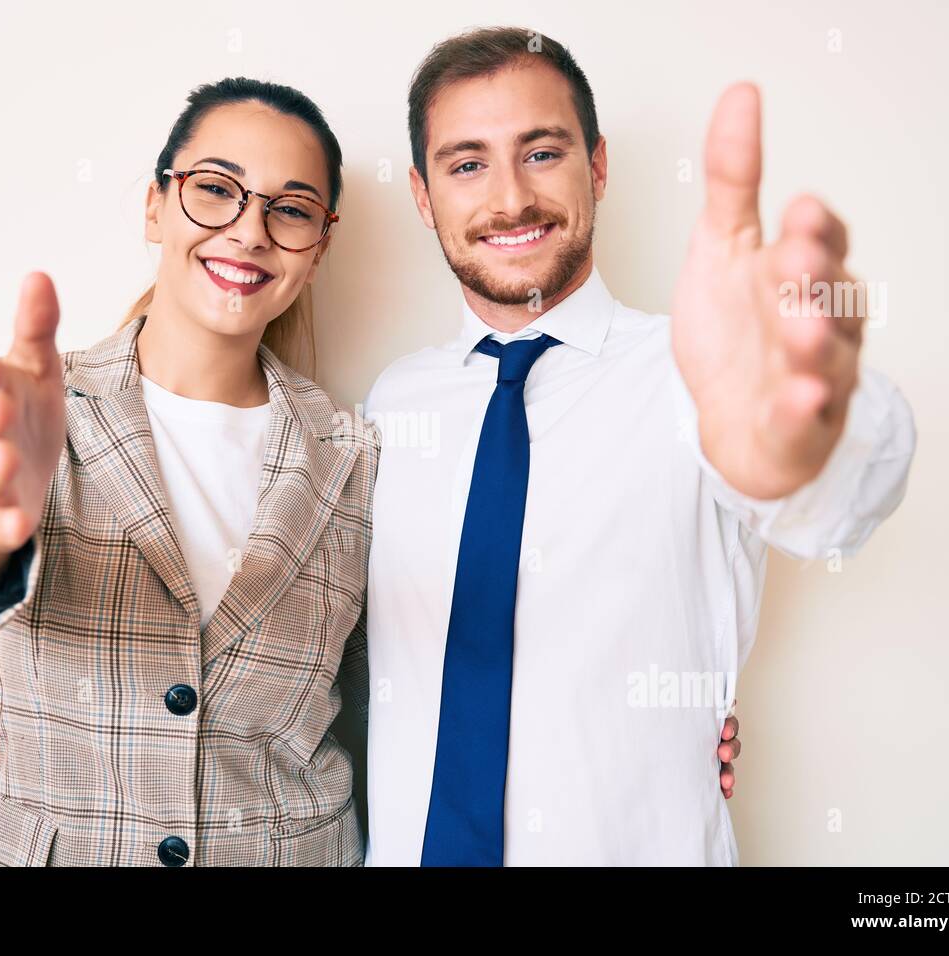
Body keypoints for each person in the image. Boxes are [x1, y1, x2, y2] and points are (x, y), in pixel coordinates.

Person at [361, 27, 916, 865]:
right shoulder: (390, 404)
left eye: (542, 153)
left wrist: (806, 446)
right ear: (421, 194)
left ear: (598, 167)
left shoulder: (699, 370)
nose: (510, 198)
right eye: (467, 164)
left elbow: (841, 506)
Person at [0, 77, 379, 866]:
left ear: (318, 247)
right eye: (215, 189)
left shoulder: (354, 456)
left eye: (290, 209)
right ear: (157, 205)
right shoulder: (44, 406)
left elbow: (379, 707)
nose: (249, 231)